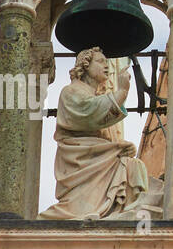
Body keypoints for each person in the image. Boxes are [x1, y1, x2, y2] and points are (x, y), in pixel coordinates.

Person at [40, 47, 162, 220]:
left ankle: (130, 209)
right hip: (79, 159)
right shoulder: (71, 91)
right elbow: (89, 113)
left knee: (134, 167)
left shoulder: (94, 94)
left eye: (107, 63)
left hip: (99, 156)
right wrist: (121, 92)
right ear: (85, 65)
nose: (107, 67)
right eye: (100, 62)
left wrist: (117, 147)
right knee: (130, 167)